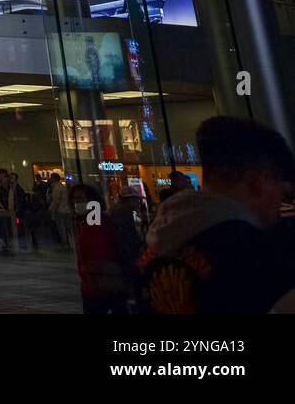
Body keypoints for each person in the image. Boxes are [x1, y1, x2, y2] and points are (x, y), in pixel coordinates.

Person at [140, 116, 295, 314]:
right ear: (261, 181)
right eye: (283, 192)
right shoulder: (258, 253)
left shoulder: (153, 246)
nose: (281, 201)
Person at [69, 184, 129, 314]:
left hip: (102, 281)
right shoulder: (85, 222)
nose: (76, 202)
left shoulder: (96, 221)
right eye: (74, 199)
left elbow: (100, 250)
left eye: (80, 198)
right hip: (97, 282)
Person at [47, 172, 71, 249]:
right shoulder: (63, 187)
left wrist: (51, 209)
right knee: (67, 227)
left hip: (59, 210)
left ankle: (65, 243)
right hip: (66, 209)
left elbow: (56, 201)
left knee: (61, 227)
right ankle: (70, 242)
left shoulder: (56, 188)